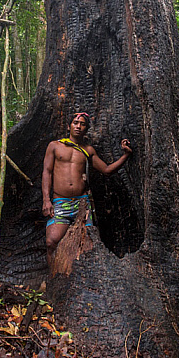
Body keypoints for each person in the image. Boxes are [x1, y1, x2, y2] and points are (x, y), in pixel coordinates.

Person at [42, 112, 132, 266]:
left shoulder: (88, 150)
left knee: (87, 247)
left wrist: (126, 155)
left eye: (82, 124)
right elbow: (47, 172)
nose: (78, 126)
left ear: (86, 129)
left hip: (82, 204)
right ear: (69, 125)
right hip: (60, 202)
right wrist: (46, 200)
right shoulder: (55, 146)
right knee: (51, 242)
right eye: (76, 123)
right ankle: (53, 281)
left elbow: (107, 170)